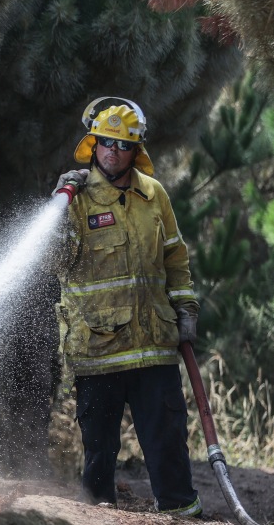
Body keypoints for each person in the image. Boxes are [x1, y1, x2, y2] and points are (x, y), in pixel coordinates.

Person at [52, 96, 201, 516]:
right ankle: (97, 515)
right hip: (97, 349)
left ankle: (181, 513)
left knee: (168, 438)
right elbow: (55, 264)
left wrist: (186, 307)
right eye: (105, 143)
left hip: (154, 342)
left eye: (122, 145)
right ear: (92, 144)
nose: (112, 152)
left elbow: (175, 257)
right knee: (98, 450)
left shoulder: (153, 195)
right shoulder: (75, 198)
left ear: (136, 150)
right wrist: (57, 209)